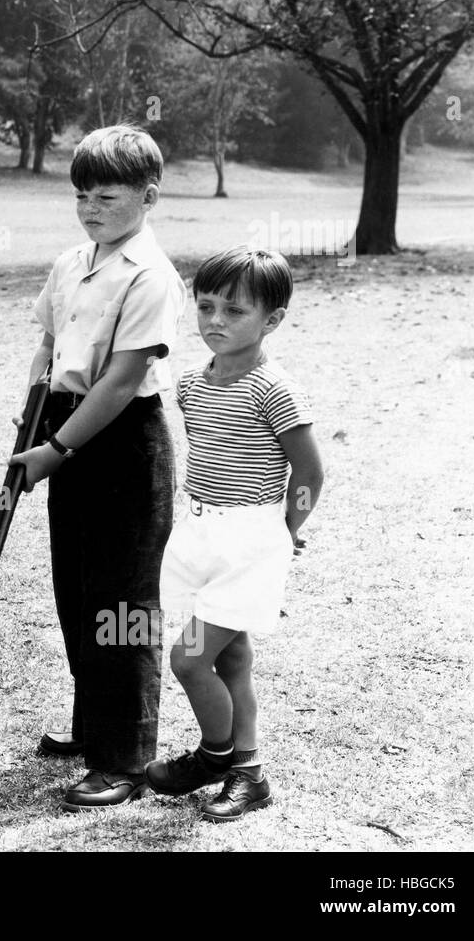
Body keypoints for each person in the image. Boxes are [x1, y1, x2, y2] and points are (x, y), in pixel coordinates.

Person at [9, 124, 186, 811]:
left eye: (107, 195)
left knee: (124, 603)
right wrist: (35, 421)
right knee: (78, 588)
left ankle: (126, 752)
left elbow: (121, 380)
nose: (91, 207)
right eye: (81, 194)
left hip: (123, 443)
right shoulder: (70, 263)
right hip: (65, 428)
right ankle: (93, 722)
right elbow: (49, 348)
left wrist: (55, 451)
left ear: (148, 195)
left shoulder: (151, 275)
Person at [146, 247, 323, 822]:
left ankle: (214, 755)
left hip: (251, 540)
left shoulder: (274, 388)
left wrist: (285, 530)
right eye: (206, 306)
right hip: (200, 532)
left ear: (272, 320)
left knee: (188, 659)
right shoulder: (194, 384)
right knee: (232, 656)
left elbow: (310, 471)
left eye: (236, 311)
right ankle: (249, 772)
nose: (216, 321)